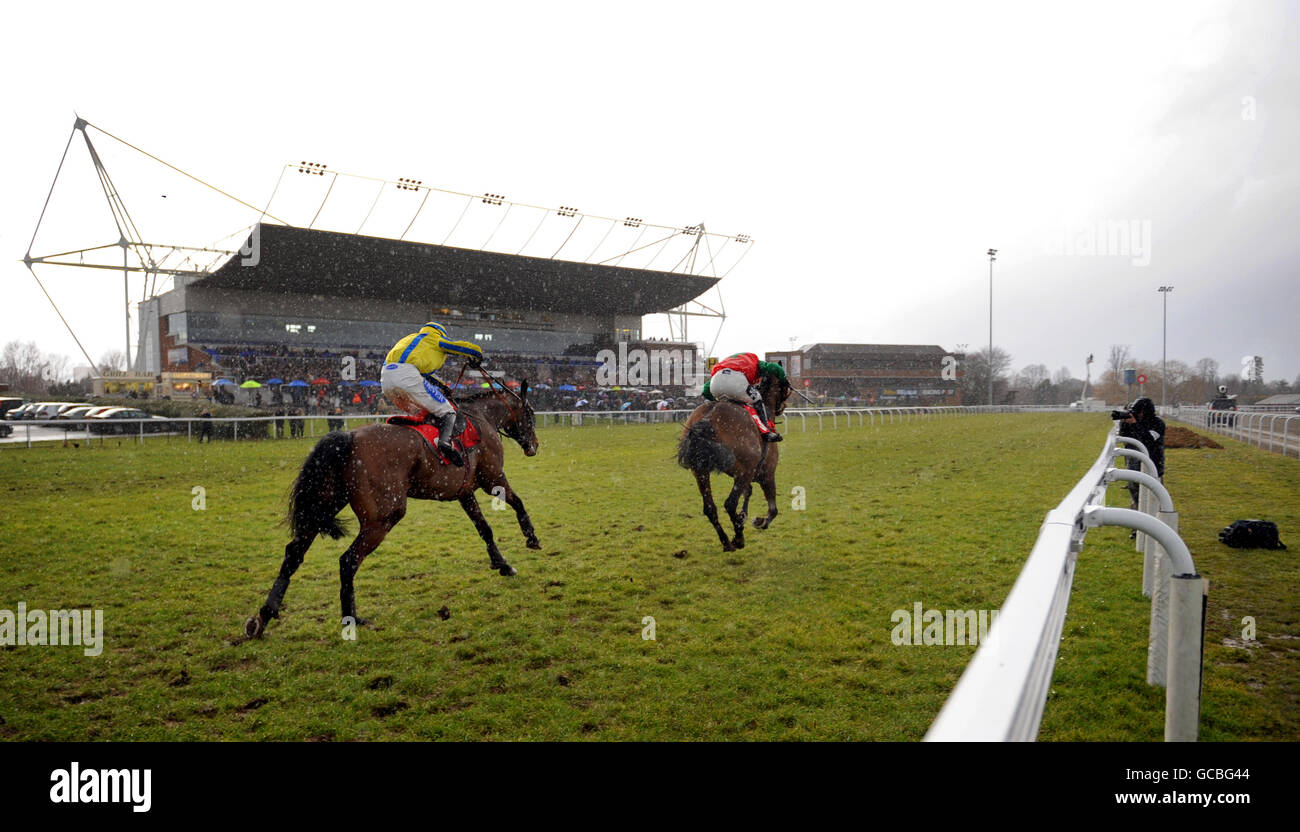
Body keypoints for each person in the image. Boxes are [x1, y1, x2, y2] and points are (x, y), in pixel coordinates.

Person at [381, 322, 484, 465]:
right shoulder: (434, 338)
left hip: (386, 379)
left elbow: (422, 373)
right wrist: (477, 354)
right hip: (407, 376)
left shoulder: (409, 338)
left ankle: (422, 442)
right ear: (440, 333)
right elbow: (459, 346)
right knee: (447, 411)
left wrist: (442, 385)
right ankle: (444, 443)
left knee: (421, 413)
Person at [702, 352, 788, 442]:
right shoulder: (757, 363)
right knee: (758, 398)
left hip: (715, 383)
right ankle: (767, 432)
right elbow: (776, 368)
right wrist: (784, 380)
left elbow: (705, 391)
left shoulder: (724, 365)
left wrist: (716, 400)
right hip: (736, 382)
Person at [1118, 396, 1165, 511]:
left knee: (1154, 496)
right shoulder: (1133, 422)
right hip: (1133, 464)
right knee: (1136, 497)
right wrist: (1124, 422)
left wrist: (1134, 424)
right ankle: (1137, 524)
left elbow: (1147, 439)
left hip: (1153, 465)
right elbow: (1123, 437)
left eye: (1138, 412)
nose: (1136, 415)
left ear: (1146, 412)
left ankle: (1156, 522)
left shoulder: (1158, 423)